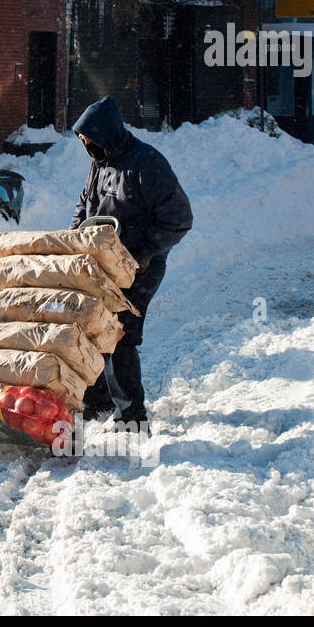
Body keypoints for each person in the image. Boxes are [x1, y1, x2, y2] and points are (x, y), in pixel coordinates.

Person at [70, 97, 191, 427]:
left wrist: (146, 252)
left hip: (143, 265)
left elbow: (179, 218)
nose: (85, 145)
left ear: (104, 132)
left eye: (87, 139)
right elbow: (86, 205)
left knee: (119, 334)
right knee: (93, 327)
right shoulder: (101, 162)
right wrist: (73, 235)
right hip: (104, 264)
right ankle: (97, 402)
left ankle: (131, 417)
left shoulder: (147, 164)